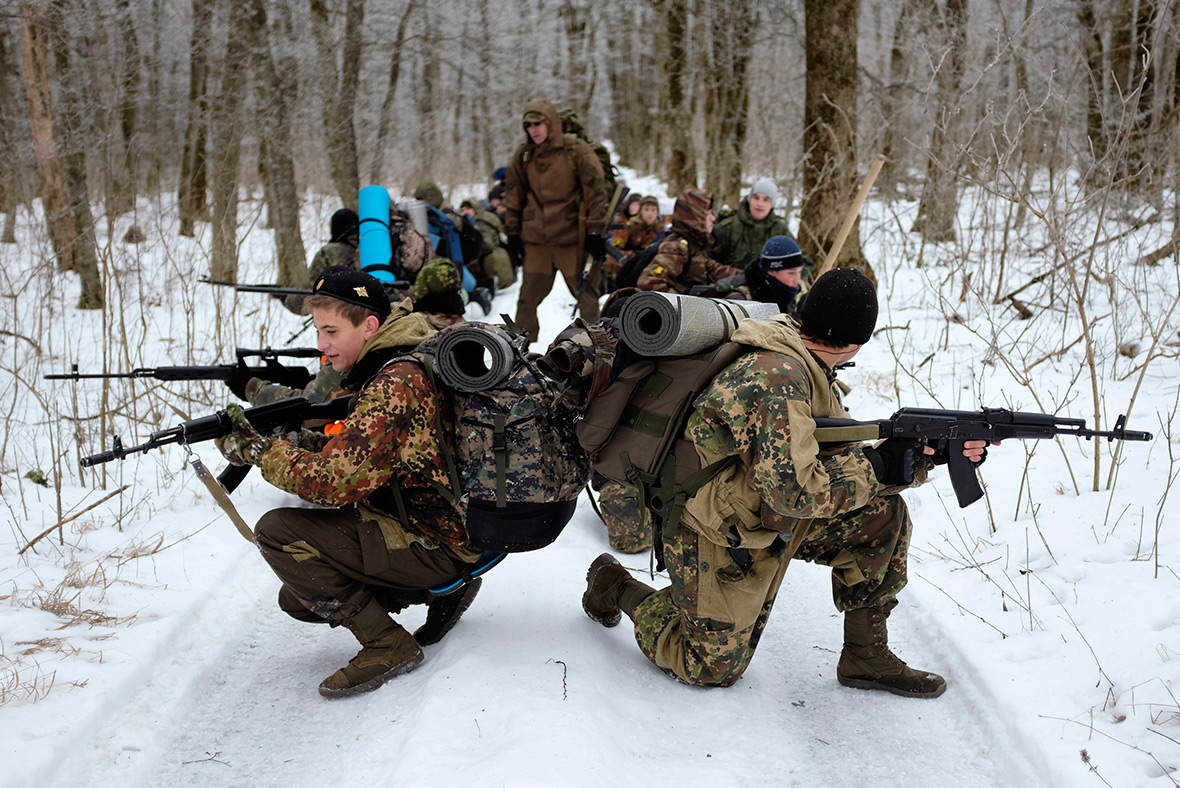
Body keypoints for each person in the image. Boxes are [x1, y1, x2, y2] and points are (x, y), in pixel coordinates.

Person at [581, 268, 994, 698]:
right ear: (857, 342)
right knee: (708, 666)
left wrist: (918, 458)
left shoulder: (801, 355)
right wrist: (879, 467)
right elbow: (797, 492)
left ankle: (864, 656)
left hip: (761, 509)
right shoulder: (776, 378)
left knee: (881, 517)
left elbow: (832, 460)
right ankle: (616, 585)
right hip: (711, 527)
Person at [215, 266, 484, 699]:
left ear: (370, 325)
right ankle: (443, 592)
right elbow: (364, 452)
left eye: (331, 331)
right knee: (298, 599)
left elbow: (333, 484)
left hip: (438, 541)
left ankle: (388, 644)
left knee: (277, 532)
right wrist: (281, 438)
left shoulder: (395, 381)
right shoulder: (407, 355)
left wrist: (257, 453)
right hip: (451, 526)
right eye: (318, 331)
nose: (322, 345)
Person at [502, 98, 608, 342]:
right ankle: (518, 353)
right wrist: (512, 234)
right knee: (527, 300)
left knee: (587, 298)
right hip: (537, 240)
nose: (533, 129)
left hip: (573, 239)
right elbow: (513, 194)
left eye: (538, 123)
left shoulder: (576, 150)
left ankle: (600, 351)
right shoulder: (525, 155)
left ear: (551, 122)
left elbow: (596, 190)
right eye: (528, 125)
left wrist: (595, 232)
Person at [636, 187, 741, 293]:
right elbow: (648, 283)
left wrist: (747, 276)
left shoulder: (694, 246)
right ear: (695, 218)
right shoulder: (677, 247)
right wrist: (686, 304)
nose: (712, 218)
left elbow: (713, 270)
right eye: (707, 214)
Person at [710, 178, 812, 276]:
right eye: (756, 198)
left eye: (766, 199)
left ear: (772, 204)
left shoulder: (779, 230)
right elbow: (708, 262)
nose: (760, 204)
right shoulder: (729, 227)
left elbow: (803, 262)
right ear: (749, 199)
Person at [283, 208, 360, 315]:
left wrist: (286, 298)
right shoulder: (374, 250)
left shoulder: (328, 253)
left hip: (342, 322)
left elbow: (305, 299)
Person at [744, 235, 806, 316]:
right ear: (772, 271)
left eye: (799, 272)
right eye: (791, 273)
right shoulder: (741, 300)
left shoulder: (790, 295)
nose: (798, 281)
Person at [460, 198, 516, 288]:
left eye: (467, 209)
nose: (465, 212)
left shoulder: (480, 222)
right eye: (462, 210)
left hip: (493, 259)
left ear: (475, 208)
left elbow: (487, 245)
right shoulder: (486, 216)